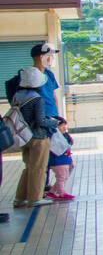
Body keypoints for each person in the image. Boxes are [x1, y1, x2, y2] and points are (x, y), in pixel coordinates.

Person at [13, 66, 62, 208]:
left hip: (23, 137)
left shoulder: (18, 96)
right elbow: (41, 121)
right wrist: (55, 122)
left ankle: (20, 198)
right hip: (38, 137)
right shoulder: (37, 99)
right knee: (39, 168)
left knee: (28, 168)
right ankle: (34, 198)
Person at [45, 128, 74, 201]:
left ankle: (52, 192)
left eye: (65, 126)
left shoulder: (65, 137)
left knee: (65, 177)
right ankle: (62, 193)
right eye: (61, 126)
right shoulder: (53, 138)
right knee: (61, 177)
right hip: (58, 161)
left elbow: (68, 149)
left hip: (64, 161)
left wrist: (70, 159)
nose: (64, 128)